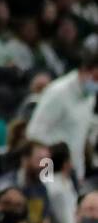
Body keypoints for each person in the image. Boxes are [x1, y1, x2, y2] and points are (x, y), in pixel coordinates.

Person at [26, 48, 97, 178]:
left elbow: (78, 136)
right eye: (96, 77)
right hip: (50, 170)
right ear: (84, 70)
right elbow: (35, 134)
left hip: (73, 172)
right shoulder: (58, 92)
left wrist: (79, 172)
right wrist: (46, 176)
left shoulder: (89, 97)